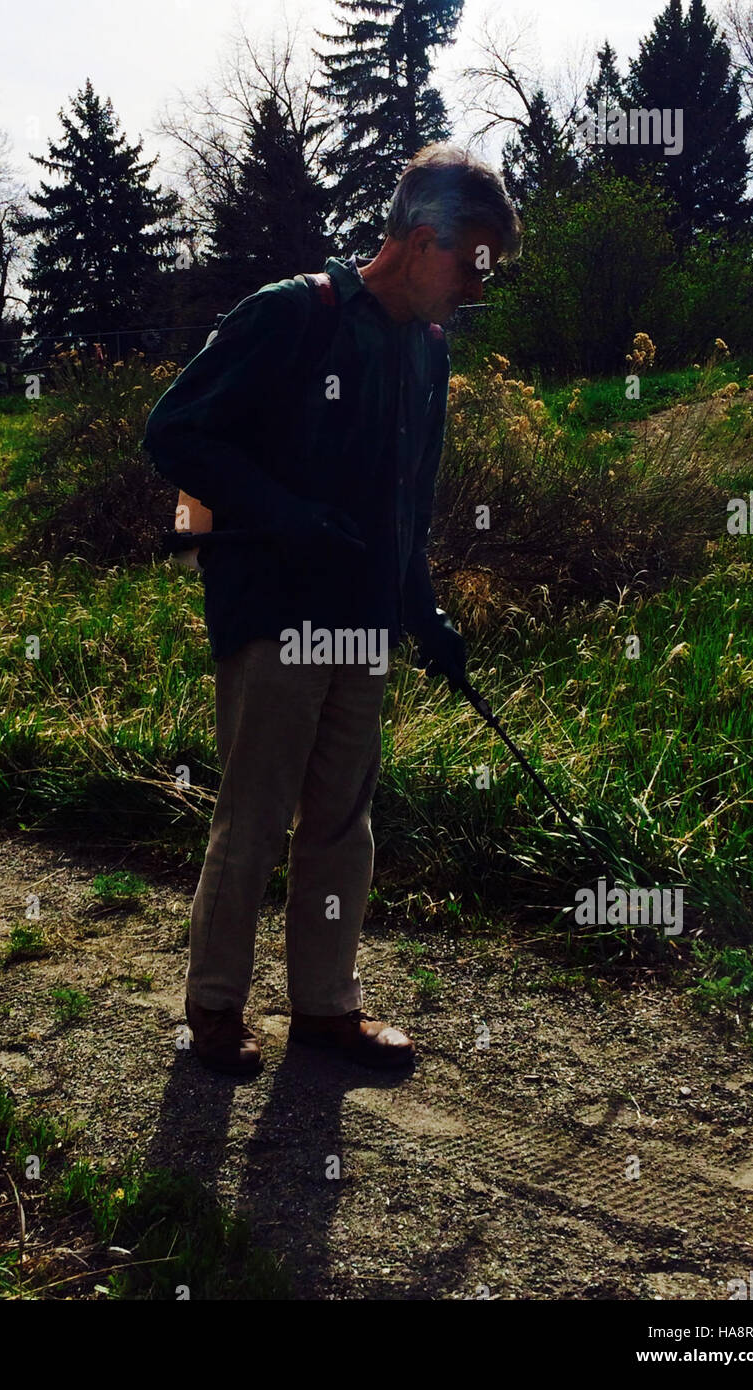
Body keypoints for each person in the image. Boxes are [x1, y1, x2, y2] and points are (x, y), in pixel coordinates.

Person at [142, 143, 523, 1077]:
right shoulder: (291, 315)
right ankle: (215, 1014)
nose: (478, 291)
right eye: (473, 265)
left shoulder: (428, 353)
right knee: (256, 815)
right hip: (274, 610)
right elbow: (174, 433)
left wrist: (424, 612)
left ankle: (324, 1010)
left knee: (343, 824)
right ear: (421, 240)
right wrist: (285, 516)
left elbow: (409, 503)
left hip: (365, 620)